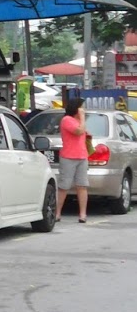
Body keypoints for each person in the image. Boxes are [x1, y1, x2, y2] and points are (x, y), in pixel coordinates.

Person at [56, 93, 89, 223]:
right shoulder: (67, 120)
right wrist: (82, 117)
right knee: (64, 186)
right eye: (82, 107)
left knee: (82, 185)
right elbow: (79, 131)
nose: (84, 110)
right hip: (69, 157)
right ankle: (57, 212)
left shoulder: (79, 121)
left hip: (82, 156)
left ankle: (82, 214)